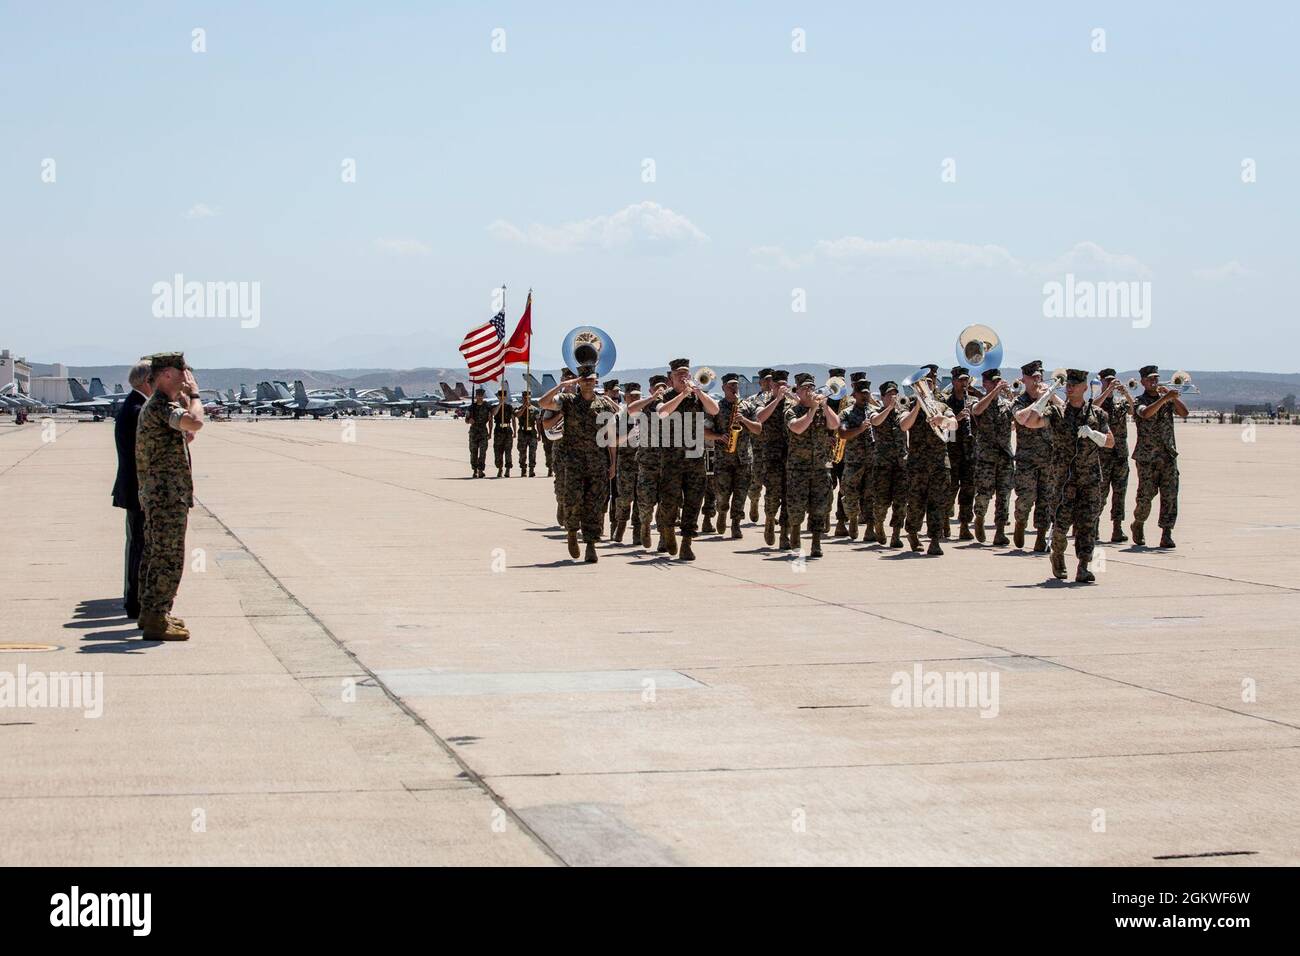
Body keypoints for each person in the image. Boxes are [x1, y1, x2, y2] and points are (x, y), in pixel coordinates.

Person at [1016, 368, 1113, 583]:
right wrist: (1044, 397)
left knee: (1088, 524)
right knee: (1061, 524)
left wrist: (1094, 434)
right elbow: (1027, 421)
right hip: (1063, 480)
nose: (1070, 387)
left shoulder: (1097, 415)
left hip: (1090, 479)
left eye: (1075, 384)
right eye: (1068, 384)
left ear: (1085, 388)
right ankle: (1057, 556)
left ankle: (1084, 566)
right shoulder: (1057, 413)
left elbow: (1110, 441)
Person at [135, 352, 204, 641]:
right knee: (168, 557)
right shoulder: (161, 406)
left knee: (155, 554)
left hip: (161, 494)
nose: (186, 376)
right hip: (165, 497)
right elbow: (194, 423)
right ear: (166, 374)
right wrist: (196, 395)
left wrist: (186, 396)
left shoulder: (162, 405)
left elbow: (184, 430)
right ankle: (155, 619)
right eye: (181, 372)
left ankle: (154, 613)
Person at [539, 364, 617, 562]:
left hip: (598, 463)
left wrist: (613, 462)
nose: (588, 382)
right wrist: (563, 385)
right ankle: (572, 532)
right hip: (573, 462)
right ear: (578, 382)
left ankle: (591, 544)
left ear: (596, 380)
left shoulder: (604, 404)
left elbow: (610, 435)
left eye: (591, 379)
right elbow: (542, 402)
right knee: (573, 501)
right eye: (584, 379)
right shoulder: (568, 401)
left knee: (595, 504)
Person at [656, 358, 720, 561]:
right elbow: (662, 413)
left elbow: (715, 410)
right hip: (672, 459)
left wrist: (698, 392)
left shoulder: (696, 396)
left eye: (686, 373)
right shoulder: (665, 395)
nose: (683, 377)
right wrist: (682, 395)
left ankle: (686, 543)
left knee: (694, 502)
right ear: (671, 377)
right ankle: (667, 530)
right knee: (669, 502)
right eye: (679, 374)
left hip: (695, 458)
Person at [899, 364, 957, 555]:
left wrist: (942, 420)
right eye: (923, 383)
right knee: (916, 502)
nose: (927, 386)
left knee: (938, 502)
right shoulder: (908, 404)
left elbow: (954, 425)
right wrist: (918, 406)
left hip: (940, 462)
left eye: (930, 383)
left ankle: (934, 539)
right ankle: (913, 533)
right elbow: (903, 426)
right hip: (918, 464)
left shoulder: (942, 405)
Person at [111, 358, 152, 619]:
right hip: (138, 488)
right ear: (148, 382)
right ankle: (135, 601)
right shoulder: (138, 410)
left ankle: (132, 597)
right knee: (139, 544)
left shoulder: (133, 405)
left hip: (132, 486)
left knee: (135, 543)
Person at [784, 372, 841, 556]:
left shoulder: (822, 409)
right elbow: (797, 428)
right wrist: (812, 410)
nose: (809, 391)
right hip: (798, 468)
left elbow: (835, 424)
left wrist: (823, 406)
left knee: (819, 507)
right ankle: (795, 536)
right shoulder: (792, 410)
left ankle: (816, 543)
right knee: (796, 506)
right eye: (805, 388)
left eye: (811, 387)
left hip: (820, 467)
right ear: (798, 391)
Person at [1132, 364, 1188, 548]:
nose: (1154, 382)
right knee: (1145, 496)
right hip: (1147, 458)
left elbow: (1184, 413)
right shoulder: (1138, 400)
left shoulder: (1167, 400)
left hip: (1168, 455)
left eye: (1156, 378)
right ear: (1142, 382)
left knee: (1170, 495)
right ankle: (1138, 523)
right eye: (1150, 379)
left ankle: (1166, 533)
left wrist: (1172, 398)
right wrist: (1164, 399)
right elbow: (1146, 414)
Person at [1012, 360, 1060, 552]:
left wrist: (1051, 395)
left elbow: (1066, 411)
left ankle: (1041, 536)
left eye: (1039, 376)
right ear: (1024, 379)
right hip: (1026, 459)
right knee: (1026, 498)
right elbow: (1022, 419)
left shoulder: (1050, 399)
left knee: (1046, 499)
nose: (1037, 379)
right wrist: (1039, 400)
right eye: (1033, 376)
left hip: (1048, 459)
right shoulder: (1019, 402)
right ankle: (1020, 523)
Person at [706, 373, 761, 539]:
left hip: (744, 458)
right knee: (722, 494)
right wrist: (718, 437)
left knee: (741, 493)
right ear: (723, 388)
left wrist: (743, 419)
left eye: (736, 385)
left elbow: (758, 428)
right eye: (730, 385)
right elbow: (704, 431)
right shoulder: (715, 408)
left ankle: (736, 524)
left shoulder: (747, 406)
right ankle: (722, 512)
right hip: (723, 458)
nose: (734, 388)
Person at [970, 368, 1015, 546]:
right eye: (993, 382)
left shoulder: (1006, 404)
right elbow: (977, 411)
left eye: (998, 381)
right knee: (984, 493)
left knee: (1004, 495)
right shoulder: (977, 400)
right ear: (985, 383)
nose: (997, 384)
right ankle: (979, 518)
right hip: (986, 457)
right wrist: (994, 393)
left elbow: (1019, 415)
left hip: (1005, 456)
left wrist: (1010, 395)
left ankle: (1000, 531)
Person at [629, 374, 670, 552]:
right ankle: (645, 524)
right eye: (657, 387)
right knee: (645, 501)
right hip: (647, 461)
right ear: (651, 389)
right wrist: (651, 398)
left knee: (666, 502)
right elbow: (631, 409)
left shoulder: (672, 404)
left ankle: (662, 535)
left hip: (668, 461)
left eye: (663, 386)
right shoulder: (645, 405)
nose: (661, 390)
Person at [835, 376, 877, 541]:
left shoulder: (874, 412)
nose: (864, 396)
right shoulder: (846, 413)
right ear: (855, 394)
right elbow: (842, 433)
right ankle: (852, 519)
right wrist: (860, 429)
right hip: (853, 461)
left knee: (871, 495)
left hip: (872, 461)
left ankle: (870, 528)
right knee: (850, 493)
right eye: (861, 393)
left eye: (866, 393)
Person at [755, 370, 793, 549]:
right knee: (772, 495)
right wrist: (777, 400)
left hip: (791, 456)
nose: (782, 388)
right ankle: (770, 520)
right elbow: (759, 418)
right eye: (778, 385)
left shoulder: (793, 402)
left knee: (789, 496)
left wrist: (794, 398)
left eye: (784, 384)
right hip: (771, 456)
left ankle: (785, 533)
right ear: (772, 386)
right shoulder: (763, 400)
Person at [1095, 369, 1133, 542]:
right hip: (1102, 455)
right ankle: (1093, 526)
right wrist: (1108, 391)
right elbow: (1093, 407)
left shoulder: (1120, 403)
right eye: (1107, 381)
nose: (1110, 383)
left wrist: (1126, 393)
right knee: (1099, 493)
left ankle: (1117, 528)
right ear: (1101, 381)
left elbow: (1134, 411)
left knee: (1120, 493)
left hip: (1120, 455)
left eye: (1113, 380)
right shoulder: (1097, 401)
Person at [869, 381, 908, 548]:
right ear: (883, 397)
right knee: (881, 501)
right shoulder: (875, 411)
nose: (893, 397)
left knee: (901, 502)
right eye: (890, 394)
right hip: (882, 464)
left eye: (895, 394)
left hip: (901, 464)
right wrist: (888, 408)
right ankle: (878, 524)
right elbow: (876, 422)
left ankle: (896, 534)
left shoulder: (902, 413)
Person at [944, 366, 977, 540]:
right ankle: (944, 521)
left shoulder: (972, 400)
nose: (964, 383)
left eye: (966, 380)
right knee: (950, 488)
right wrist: (956, 418)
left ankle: (964, 525)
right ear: (953, 381)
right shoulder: (946, 403)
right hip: (952, 450)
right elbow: (943, 429)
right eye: (961, 380)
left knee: (968, 489)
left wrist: (974, 413)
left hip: (969, 452)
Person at [611, 383, 642, 543]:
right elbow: (612, 440)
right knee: (625, 497)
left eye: (638, 395)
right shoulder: (620, 417)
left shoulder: (646, 415)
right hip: (625, 464)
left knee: (641, 499)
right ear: (626, 397)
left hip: (643, 464)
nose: (636, 398)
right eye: (633, 396)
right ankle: (620, 526)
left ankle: (637, 531)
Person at [745, 369, 774, 523]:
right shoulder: (751, 400)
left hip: (775, 448)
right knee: (755, 481)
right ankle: (754, 502)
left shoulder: (780, 399)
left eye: (771, 380)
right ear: (760, 382)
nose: (769, 383)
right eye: (766, 380)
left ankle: (772, 512)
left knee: (774, 482)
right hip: (757, 447)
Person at [465, 388, 491, 478]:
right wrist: (469, 420)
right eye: (478, 395)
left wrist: (490, 432)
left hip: (483, 431)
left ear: (483, 396)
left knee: (483, 452)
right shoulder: (471, 407)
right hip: (474, 432)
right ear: (476, 396)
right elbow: (466, 419)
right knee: (473, 452)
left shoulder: (487, 406)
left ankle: (480, 470)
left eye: (481, 395)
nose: (480, 397)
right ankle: (475, 470)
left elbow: (491, 418)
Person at [492, 388, 515, 477]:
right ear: (498, 397)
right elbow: (494, 413)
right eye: (500, 396)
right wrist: (500, 404)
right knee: (498, 451)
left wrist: (515, 431)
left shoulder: (509, 407)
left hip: (507, 431)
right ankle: (500, 468)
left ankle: (508, 469)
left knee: (508, 451)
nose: (502, 398)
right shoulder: (494, 406)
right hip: (498, 430)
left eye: (503, 396)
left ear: (505, 397)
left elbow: (513, 419)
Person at [515, 391, 538, 477]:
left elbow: (538, 422)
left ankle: (531, 469)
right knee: (522, 452)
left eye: (528, 397)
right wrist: (524, 407)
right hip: (522, 433)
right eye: (525, 398)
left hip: (532, 433)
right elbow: (517, 415)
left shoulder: (535, 409)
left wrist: (539, 434)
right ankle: (523, 469)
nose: (526, 399)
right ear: (522, 398)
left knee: (532, 452)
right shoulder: (519, 408)